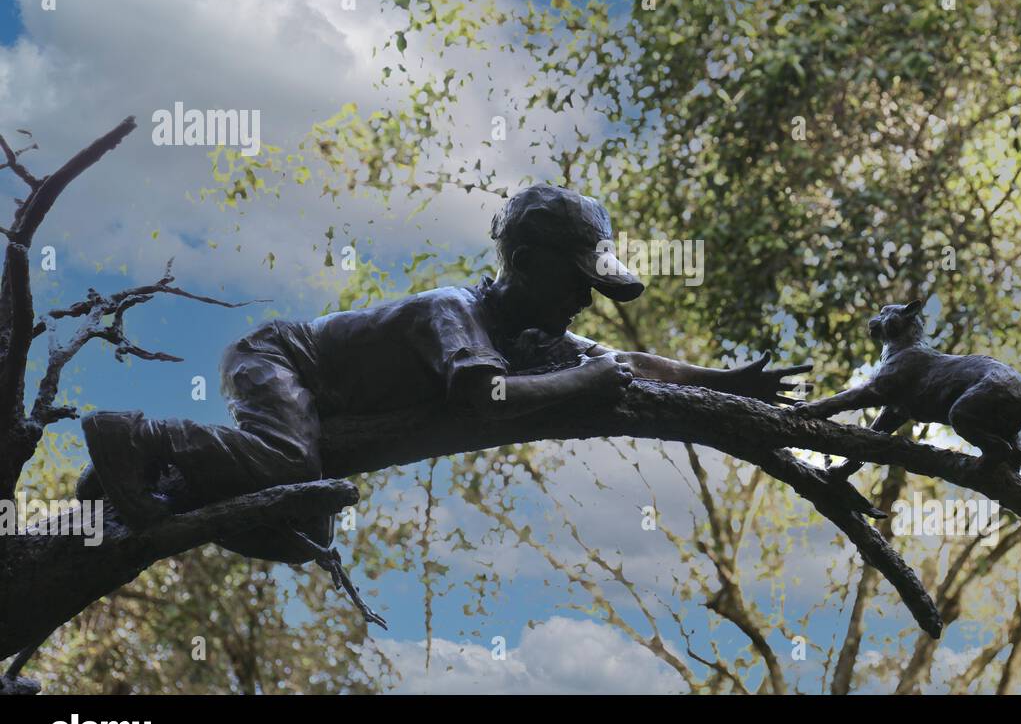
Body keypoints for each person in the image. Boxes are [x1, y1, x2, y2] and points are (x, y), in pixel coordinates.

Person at [78, 184, 809, 561]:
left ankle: (158, 481)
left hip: (322, 394)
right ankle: (136, 434)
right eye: (577, 281)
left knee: (304, 532)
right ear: (523, 266)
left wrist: (724, 383)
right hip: (277, 360)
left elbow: (630, 364)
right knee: (295, 461)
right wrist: (584, 387)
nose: (586, 299)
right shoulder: (453, 313)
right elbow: (480, 395)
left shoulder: (529, 331)